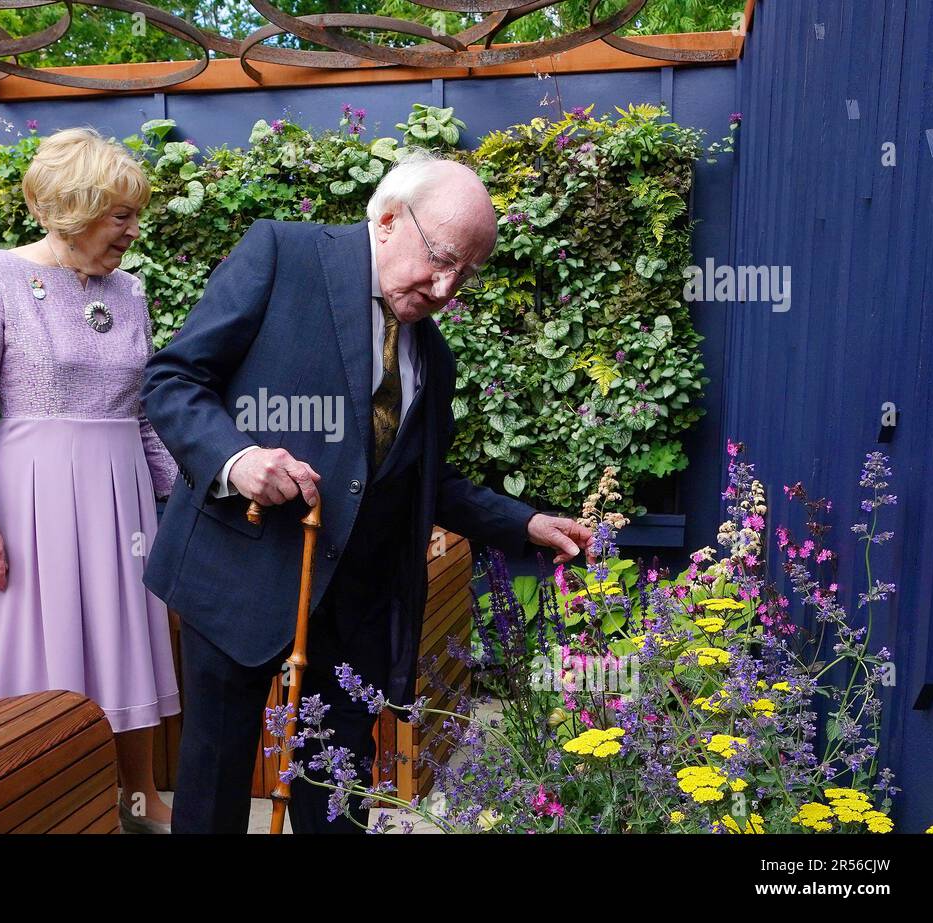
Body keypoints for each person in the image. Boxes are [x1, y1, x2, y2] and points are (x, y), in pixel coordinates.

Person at [141, 149, 594, 834]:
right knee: (215, 785)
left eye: (467, 274)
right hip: (237, 576)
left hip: (354, 602)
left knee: (339, 792)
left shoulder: (431, 355)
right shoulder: (280, 253)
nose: (447, 288)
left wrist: (526, 523)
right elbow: (172, 380)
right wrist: (236, 460)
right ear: (386, 220)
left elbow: (425, 479)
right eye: (443, 259)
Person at [0, 127, 181, 834]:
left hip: (123, 492)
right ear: (73, 208)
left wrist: (182, 498)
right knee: (41, 647)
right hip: (32, 490)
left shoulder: (129, 289)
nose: (133, 229)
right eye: (121, 215)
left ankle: (138, 799)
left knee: (125, 637)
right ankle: (47, 807)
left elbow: (143, 413)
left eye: (134, 214)